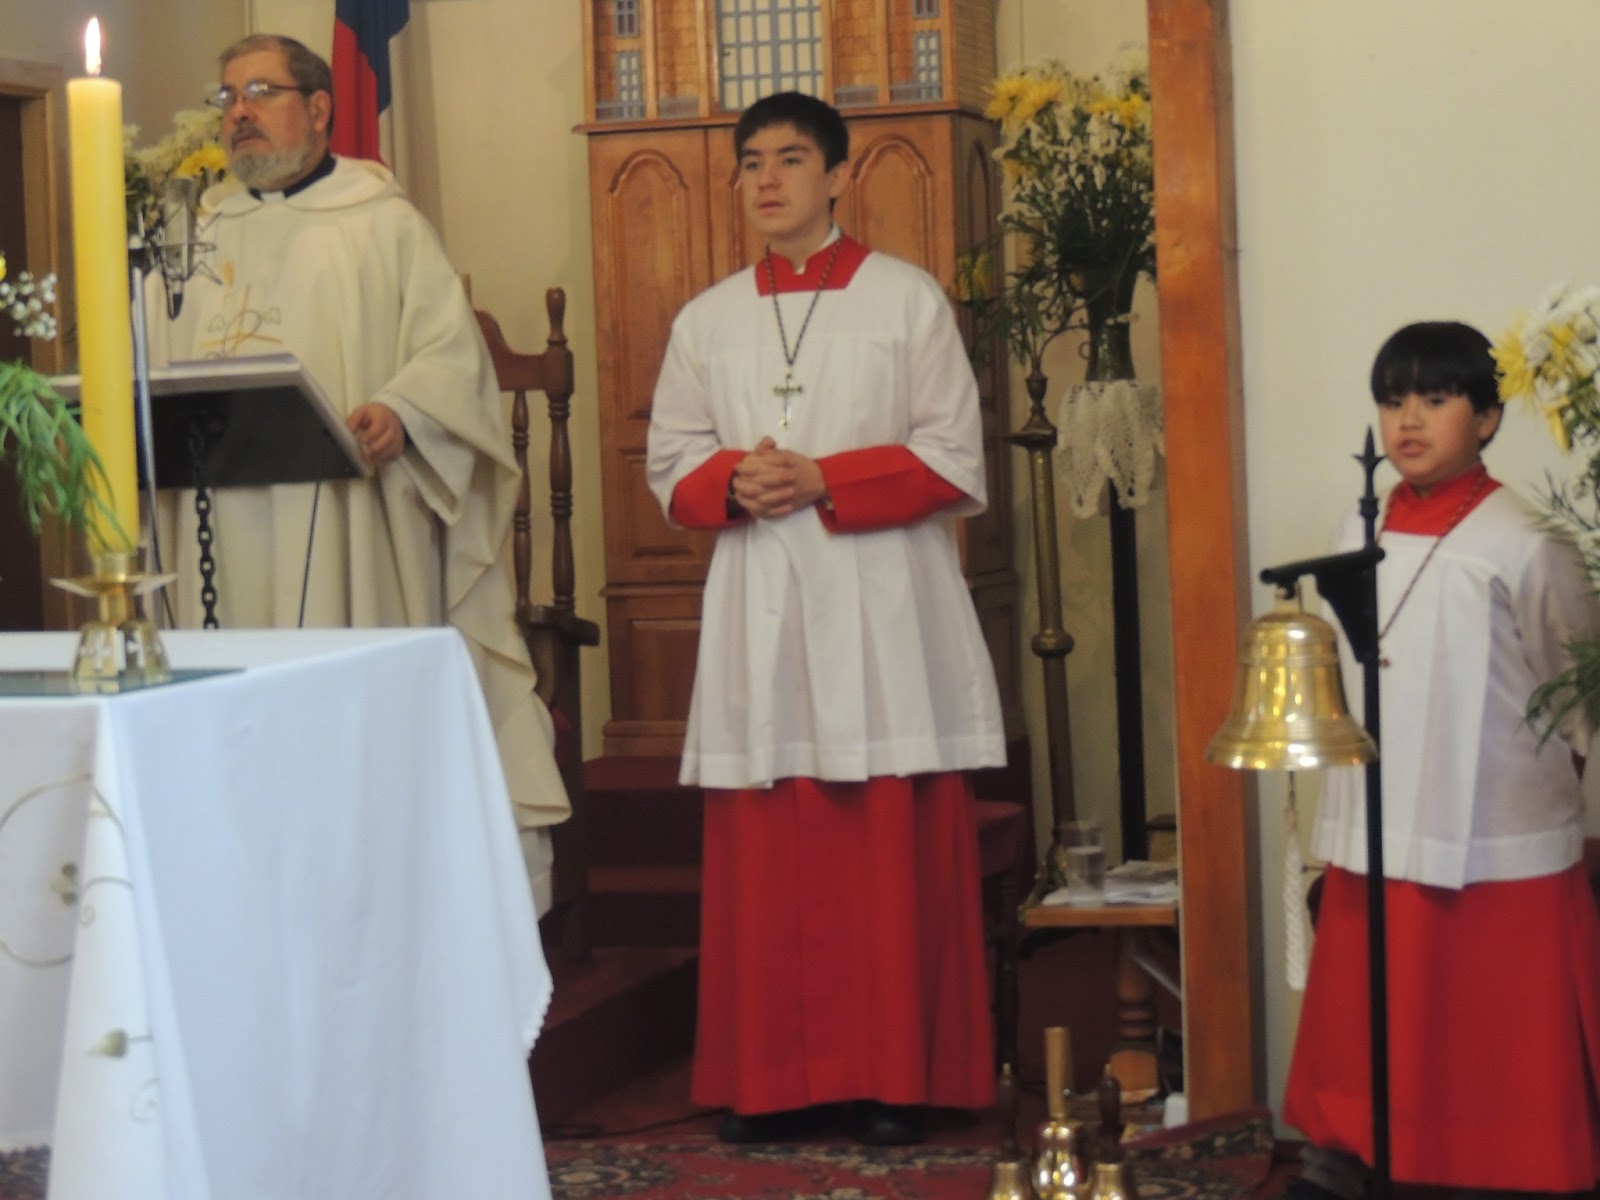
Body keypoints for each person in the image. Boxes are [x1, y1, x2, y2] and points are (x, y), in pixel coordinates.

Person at [646, 91, 1005, 1147]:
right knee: (770, 850)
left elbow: (951, 453)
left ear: (839, 175)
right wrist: (731, 481)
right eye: (750, 162)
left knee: (881, 843)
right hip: (761, 600)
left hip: (881, 599)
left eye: (791, 159)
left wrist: (823, 475)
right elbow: (668, 459)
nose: (766, 179)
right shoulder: (705, 317)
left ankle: (896, 1078)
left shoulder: (905, 300)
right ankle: (776, 1081)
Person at [147, 34, 567, 909]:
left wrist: (403, 412)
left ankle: (371, 897)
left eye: (261, 92)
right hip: (214, 531)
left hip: (350, 529)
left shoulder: (384, 226)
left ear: (322, 108)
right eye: (228, 97)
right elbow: (143, 371)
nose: (240, 114)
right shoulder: (190, 235)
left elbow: (452, 363)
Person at [1283, 321, 1600, 1195]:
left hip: (1496, 819)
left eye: (1435, 398)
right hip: (1378, 801)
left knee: (1482, 1021)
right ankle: (1353, 1146)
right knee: (1373, 1000)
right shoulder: (1355, 521)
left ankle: (1495, 1162)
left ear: (1490, 416)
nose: (1408, 420)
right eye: (1391, 401)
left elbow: (1576, 684)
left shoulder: (1527, 536)